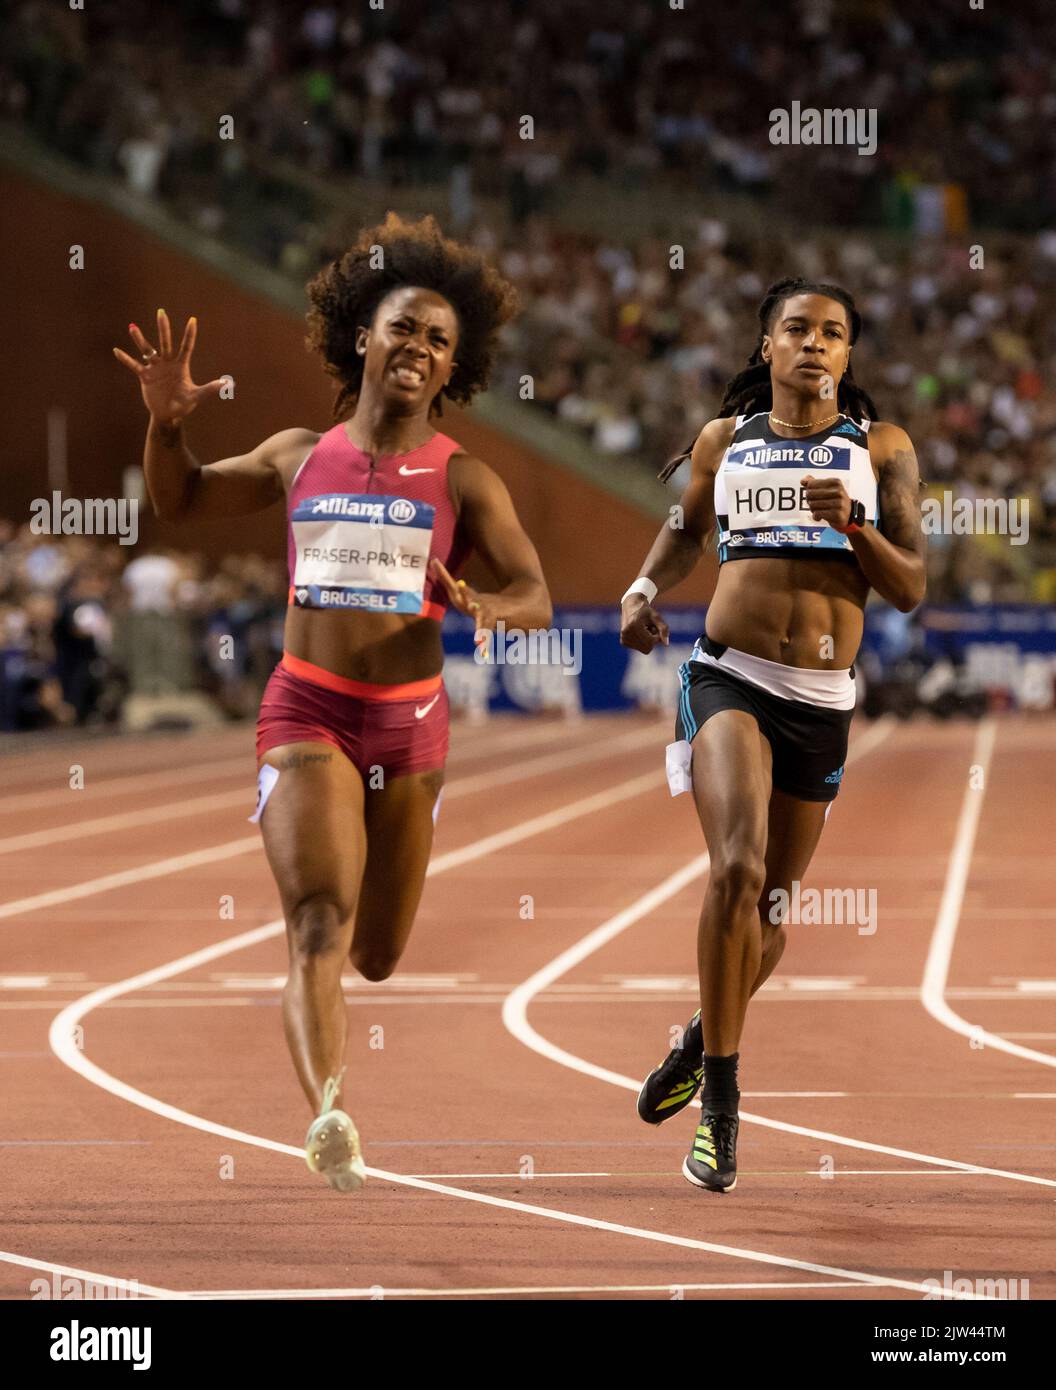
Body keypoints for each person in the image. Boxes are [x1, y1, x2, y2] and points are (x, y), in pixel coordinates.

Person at [115, 213, 552, 1191]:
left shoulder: (465, 480)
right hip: (306, 711)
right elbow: (180, 501)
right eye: (404, 327)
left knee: (381, 952)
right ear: (363, 335)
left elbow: (535, 592)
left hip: (411, 723)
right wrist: (165, 423)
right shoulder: (297, 454)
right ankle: (330, 1111)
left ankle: (339, 1052)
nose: (418, 348)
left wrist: (489, 603)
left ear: (454, 369)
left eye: (439, 341)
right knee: (318, 918)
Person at [620, 277, 926, 1192]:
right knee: (737, 869)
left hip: (821, 696)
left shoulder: (884, 449)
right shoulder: (728, 441)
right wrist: (642, 588)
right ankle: (720, 1110)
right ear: (766, 346)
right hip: (731, 674)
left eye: (833, 333)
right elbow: (682, 531)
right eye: (796, 328)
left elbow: (910, 585)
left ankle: (695, 1038)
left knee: (775, 917)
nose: (814, 344)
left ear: (848, 356)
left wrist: (858, 529)